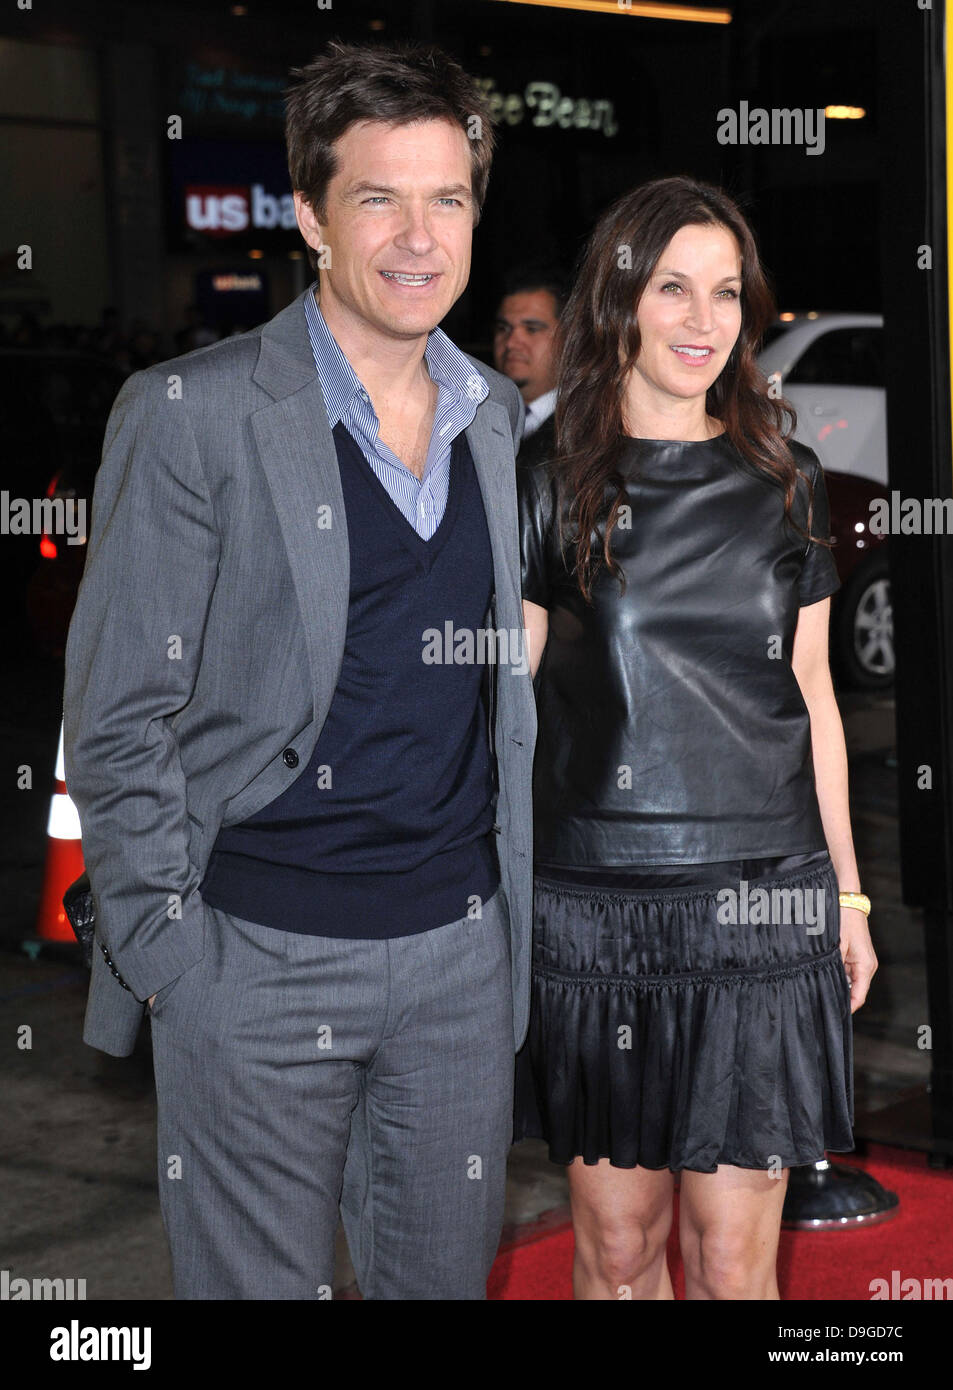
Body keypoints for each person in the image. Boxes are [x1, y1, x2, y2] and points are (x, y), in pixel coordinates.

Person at [63, 40, 535, 1301]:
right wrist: (173, 959)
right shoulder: (192, 413)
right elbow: (116, 716)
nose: (419, 235)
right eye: (378, 197)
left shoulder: (494, 414)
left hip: (457, 961)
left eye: (447, 198)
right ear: (311, 217)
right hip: (254, 958)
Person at [515, 175, 877, 1301]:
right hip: (591, 912)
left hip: (757, 912)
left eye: (724, 292)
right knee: (617, 1258)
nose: (701, 318)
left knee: (733, 1263)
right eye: (672, 286)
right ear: (617, 296)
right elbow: (501, 704)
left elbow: (814, 698)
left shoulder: (785, 483)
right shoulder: (549, 484)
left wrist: (849, 900)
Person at [493, 266, 566, 445]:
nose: (511, 343)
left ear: (568, 338)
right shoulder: (470, 417)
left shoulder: (592, 426)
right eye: (503, 328)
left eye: (532, 329)